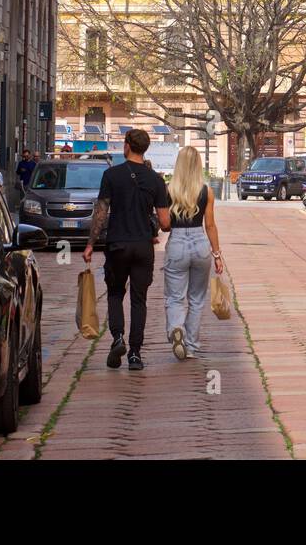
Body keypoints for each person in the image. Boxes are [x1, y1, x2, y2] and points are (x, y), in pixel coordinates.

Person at [83, 128, 169, 371]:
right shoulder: (156, 180)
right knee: (139, 300)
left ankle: (117, 337)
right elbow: (165, 223)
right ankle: (135, 354)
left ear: (127, 146)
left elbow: (101, 212)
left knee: (115, 293)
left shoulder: (111, 175)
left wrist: (91, 244)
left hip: (118, 244)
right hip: (143, 246)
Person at [158, 146, 224, 361]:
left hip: (177, 241)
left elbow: (165, 225)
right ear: (198, 165)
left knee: (175, 297)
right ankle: (191, 345)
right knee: (196, 299)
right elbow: (211, 225)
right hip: (200, 243)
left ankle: (176, 329)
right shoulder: (206, 191)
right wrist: (217, 255)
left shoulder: (168, 191)